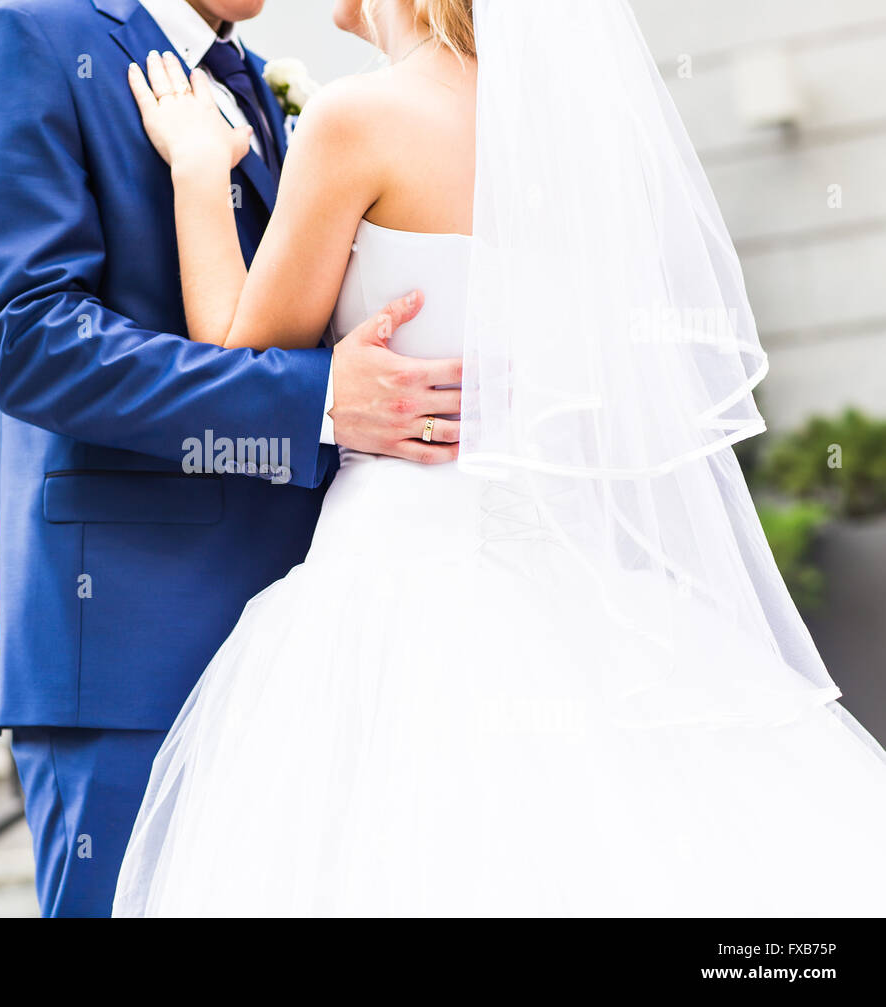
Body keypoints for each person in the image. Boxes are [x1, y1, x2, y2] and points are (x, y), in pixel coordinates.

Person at [112, 0, 886, 916]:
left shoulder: (359, 117)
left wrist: (200, 173)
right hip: (567, 573)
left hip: (398, 564)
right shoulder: (578, 141)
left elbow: (241, 356)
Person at [0, 0, 461, 917]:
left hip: (316, 623)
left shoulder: (267, 82)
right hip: (135, 634)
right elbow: (29, 339)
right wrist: (320, 398)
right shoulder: (26, 41)